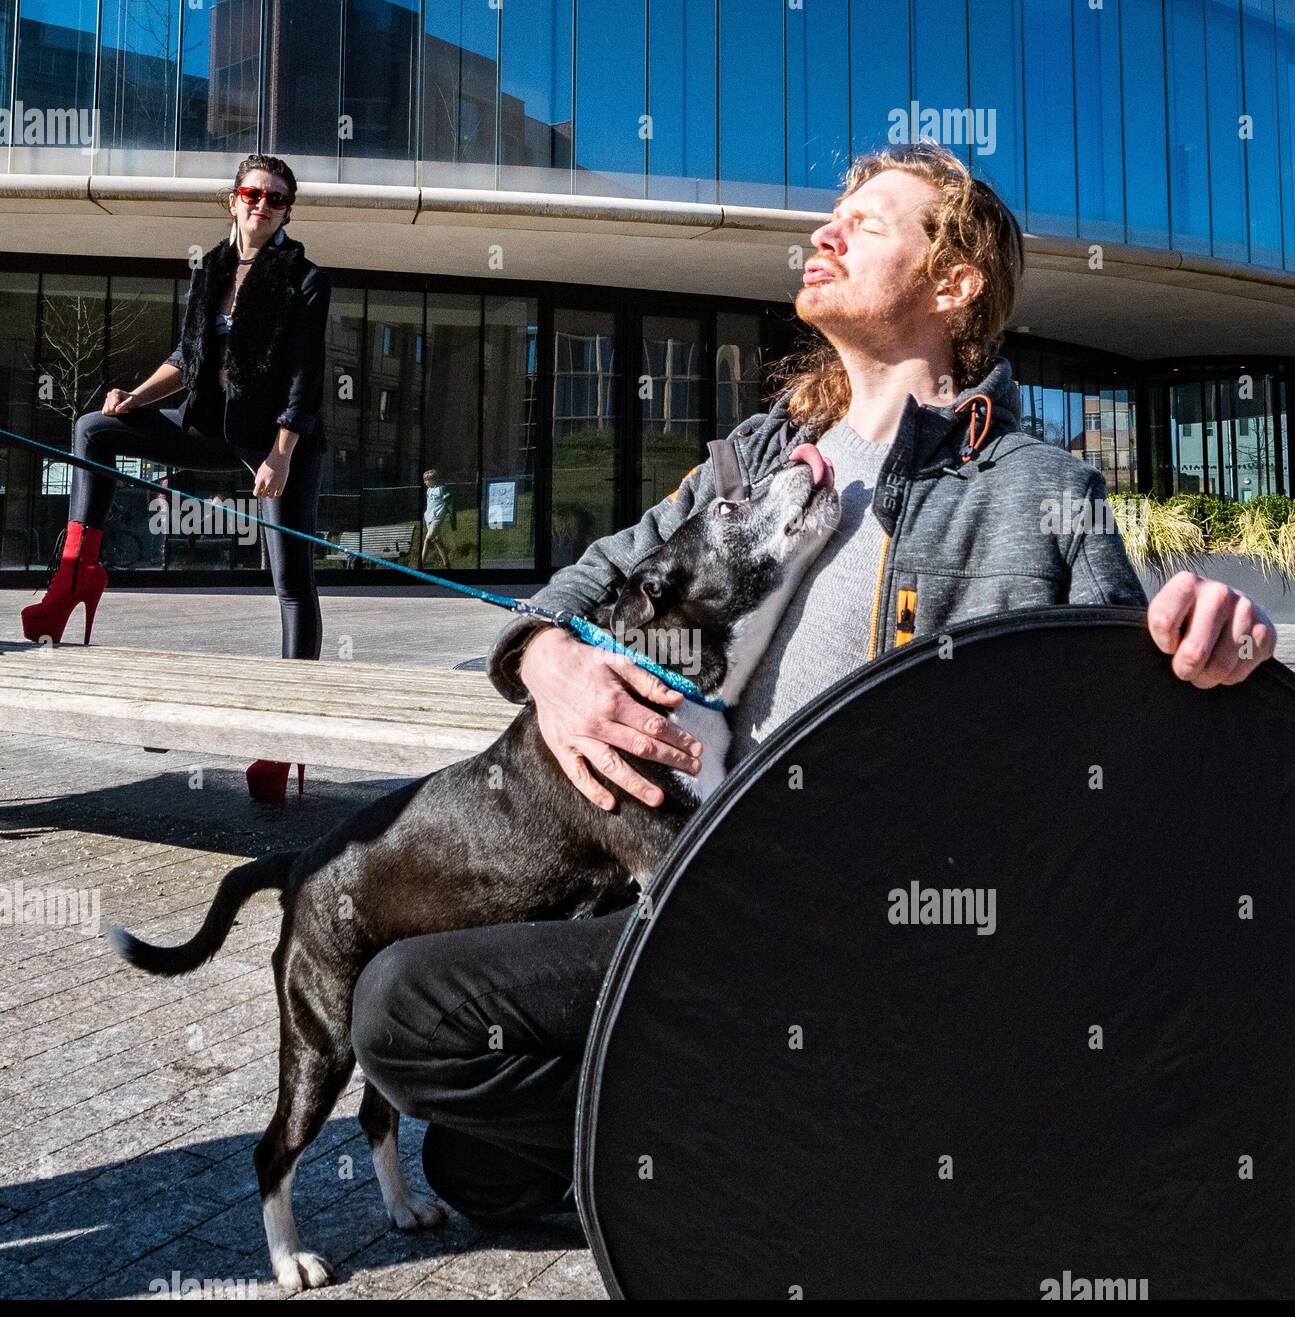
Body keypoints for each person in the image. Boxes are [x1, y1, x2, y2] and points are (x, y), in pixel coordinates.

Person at [351, 143, 1277, 1228]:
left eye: (866, 221)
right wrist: (548, 663)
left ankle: (829, 1116)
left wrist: (1212, 650)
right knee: (473, 1163)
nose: (822, 234)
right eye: (827, 217)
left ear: (952, 282)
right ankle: (779, 1122)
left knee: (401, 1003)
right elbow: (580, 583)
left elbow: (1109, 746)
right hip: (698, 893)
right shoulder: (756, 453)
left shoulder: (1034, 487)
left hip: (864, 931)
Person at [22, 154, 332, 805]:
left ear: (285, 211)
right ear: (232, 200)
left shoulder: (303, 278)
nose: (261, 204)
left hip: (276, 442)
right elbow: (185, 360)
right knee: (93, 430)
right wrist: (133, 397)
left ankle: (285, 736)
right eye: (252, 193)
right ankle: (76, 577)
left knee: (292, 586)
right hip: (204, 426)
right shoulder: (212, 268)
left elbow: (306, 376)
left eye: (275, 199)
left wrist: (280, 453)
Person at [420, 468, 452, 569]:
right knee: (437, 541)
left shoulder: (442, 489)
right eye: (424, 480)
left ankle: (421, 565)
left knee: (427, 539)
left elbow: (449, 502)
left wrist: (451, 514)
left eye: (427, 480)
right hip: (428, 518)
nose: (425, 482)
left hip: (437, 518)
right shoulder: (429, 490)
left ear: (434, 480)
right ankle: (447, 564)